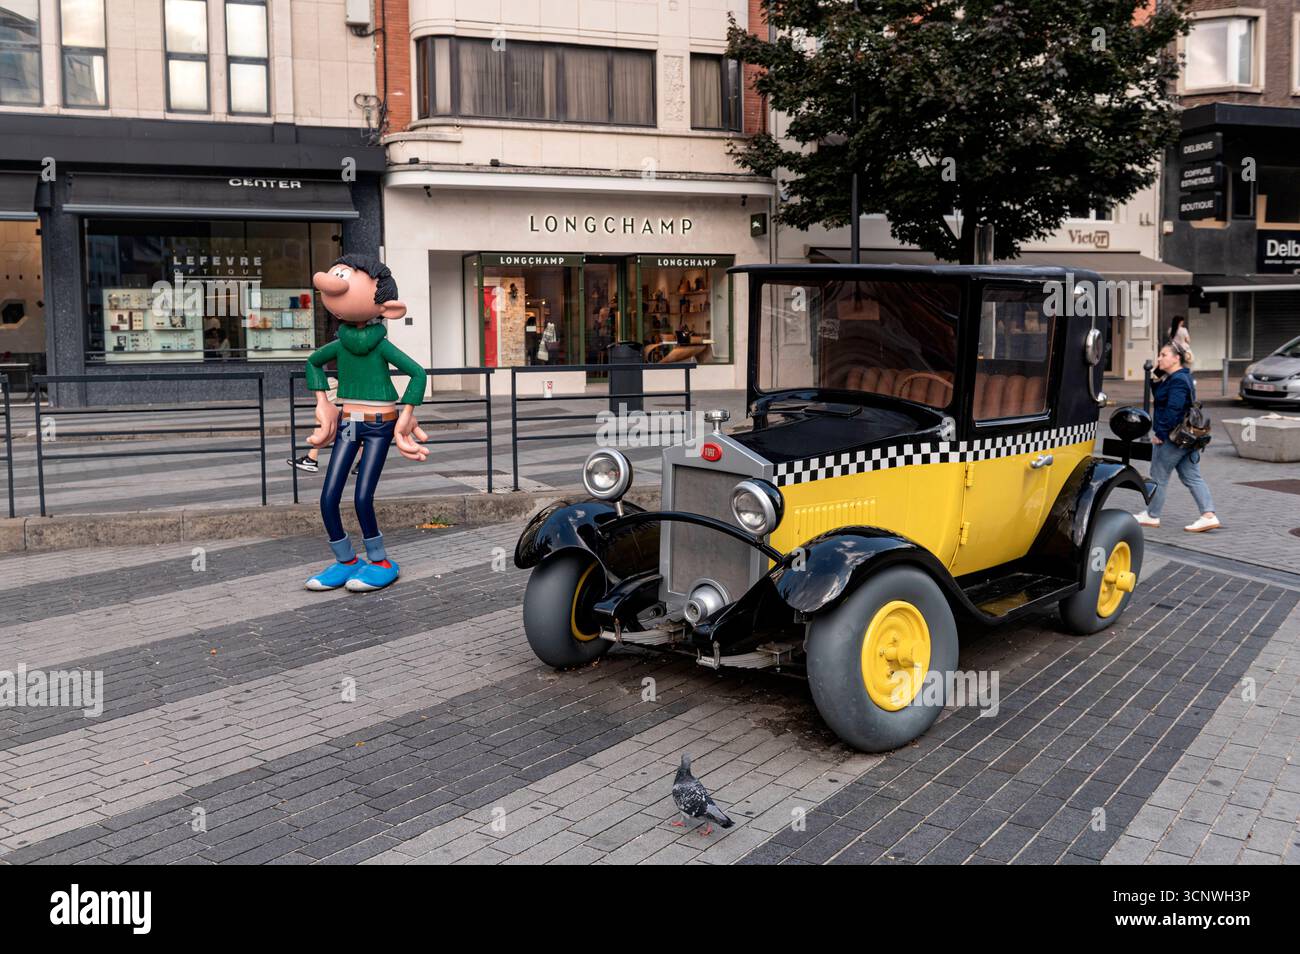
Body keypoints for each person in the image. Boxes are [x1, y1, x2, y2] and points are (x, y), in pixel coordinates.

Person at [302, 254, 429, 593]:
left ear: (387, 307)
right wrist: (324, 403)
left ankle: (380, 561)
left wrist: (405, 416)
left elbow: (418, 373)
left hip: (380, 424)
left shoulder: (381, 345)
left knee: (362, 497)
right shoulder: (341, 344)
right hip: (347, 422)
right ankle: (345, 560)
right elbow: (312, 364)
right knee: (328, 496)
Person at [1136, 340, 1220, 533]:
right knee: (1192, 476)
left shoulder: (1178, 380)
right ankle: (1208, 515)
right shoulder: (1175, 377)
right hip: (1186, 439)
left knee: (1158, 475)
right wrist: (1157, 375)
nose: (1159, 358)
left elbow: (1174, 409)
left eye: (1163, 355)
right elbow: (1160, 398)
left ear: (1176, 358)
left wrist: (1160, 434)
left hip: (1174, 437)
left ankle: (1152, 515)